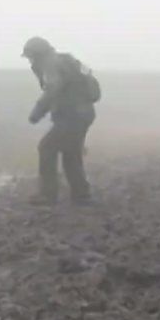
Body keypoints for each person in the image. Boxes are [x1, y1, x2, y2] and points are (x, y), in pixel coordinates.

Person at [22, 36, 100, 205]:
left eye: (30, 57)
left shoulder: (51, 64)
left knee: (46, 147)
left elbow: (53, 88)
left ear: (38, 54)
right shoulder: (66, 60)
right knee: (71, 153)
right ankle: (81, 196)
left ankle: (48, 195)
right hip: (84, 113)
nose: (30, 61)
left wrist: (37, 111)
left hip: (73, 116)